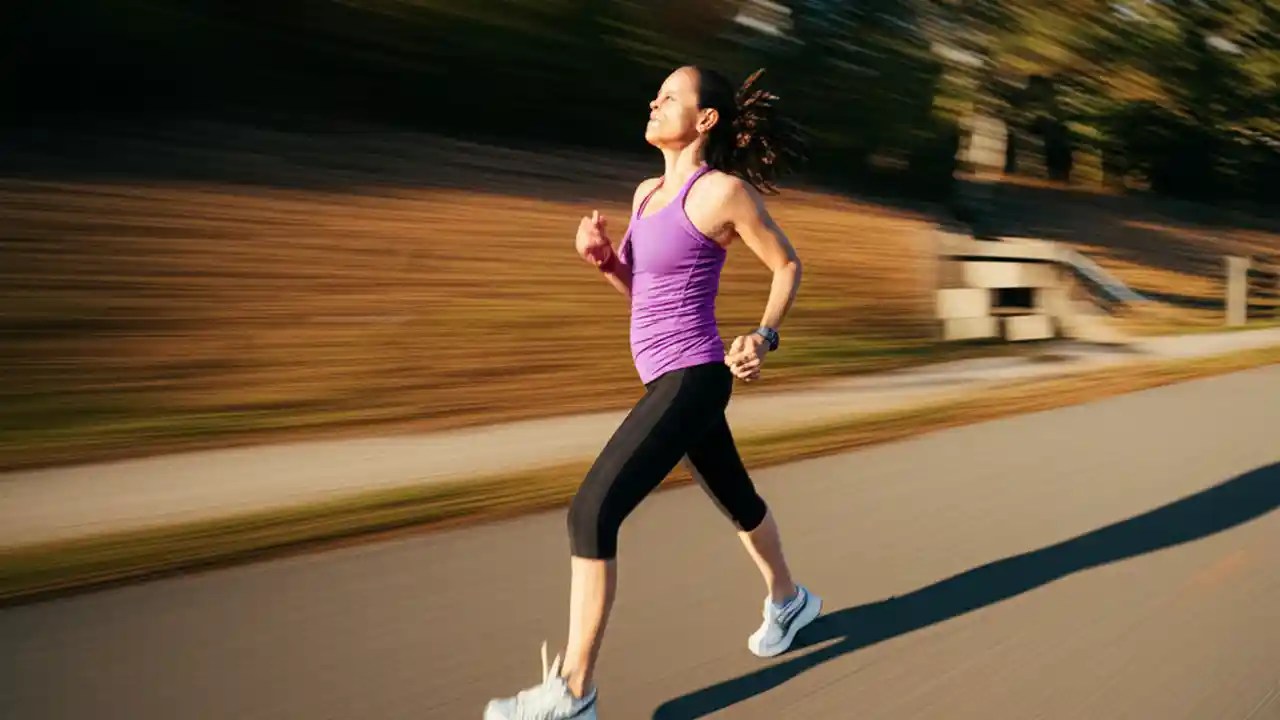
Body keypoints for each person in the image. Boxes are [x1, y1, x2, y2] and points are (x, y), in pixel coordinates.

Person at [484, 65, 819, 720]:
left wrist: (764, 335)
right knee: (737, 499)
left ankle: (573, 693)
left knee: (591, 511)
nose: (654, 101)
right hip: (664, 376)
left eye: (670, 97)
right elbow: (646, 294)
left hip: (694, 376)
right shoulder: (644, 194)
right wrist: (605, 262)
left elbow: (786, 264)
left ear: (705, 120)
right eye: (656, 94)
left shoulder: (722, 192)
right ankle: (790, 599)